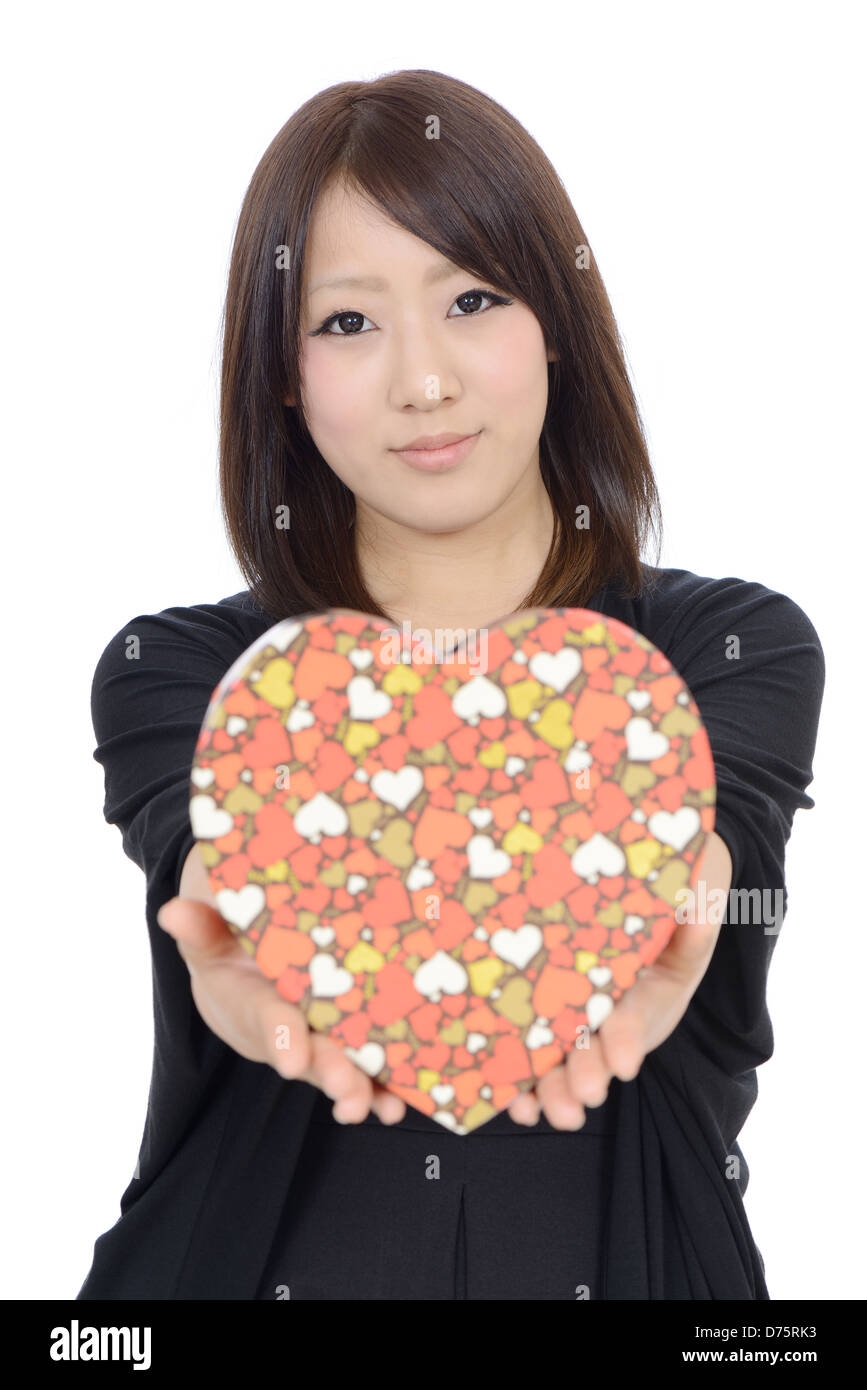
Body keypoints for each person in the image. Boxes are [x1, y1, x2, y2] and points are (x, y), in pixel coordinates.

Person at [77, 69, 824, 1301]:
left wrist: (676, 903)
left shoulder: (725, 647)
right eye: (348, 323)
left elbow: (712, 849)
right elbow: (207, 869)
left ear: (555, 322)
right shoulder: (190, 672)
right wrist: (234, 935)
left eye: (473, 297)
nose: (424, 380)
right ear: (280, 371)